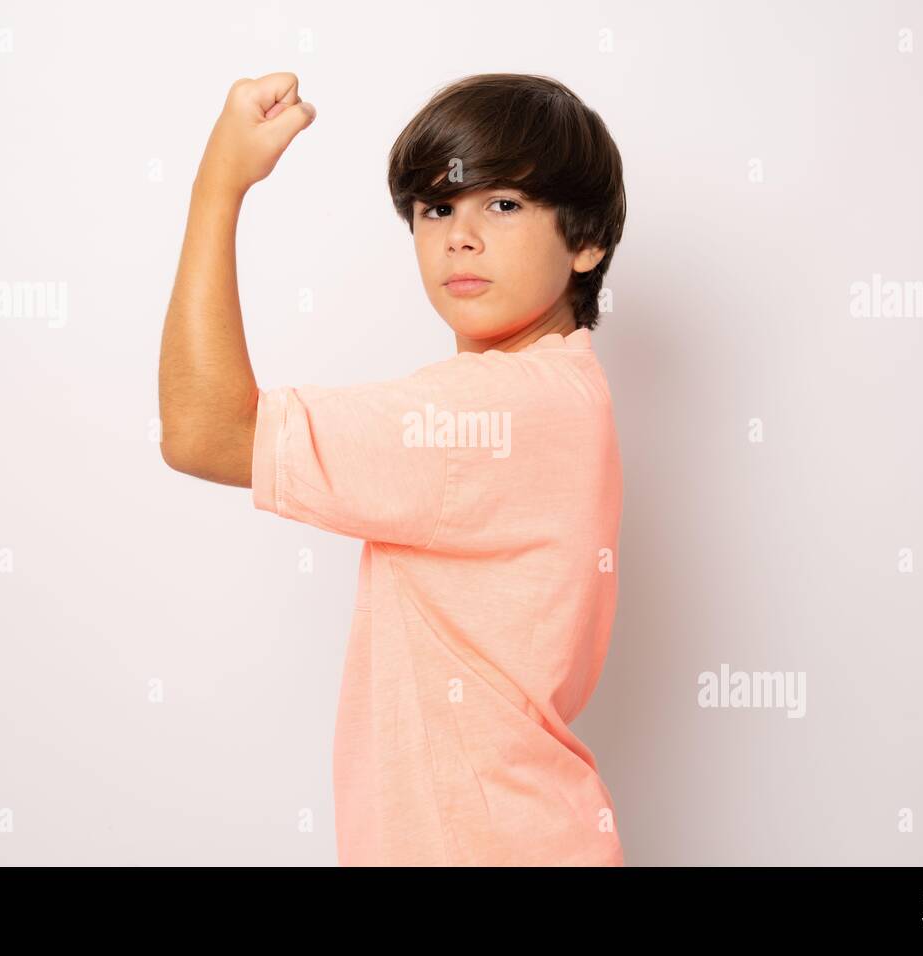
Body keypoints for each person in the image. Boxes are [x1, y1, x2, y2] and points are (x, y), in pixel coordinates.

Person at [158, 71, 627, 866]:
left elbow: (203, 432)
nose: (460, 236)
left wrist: (218, 187)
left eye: (502, 204)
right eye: (437, 208)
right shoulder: (563, 394)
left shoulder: (502, 411)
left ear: (587, 241)